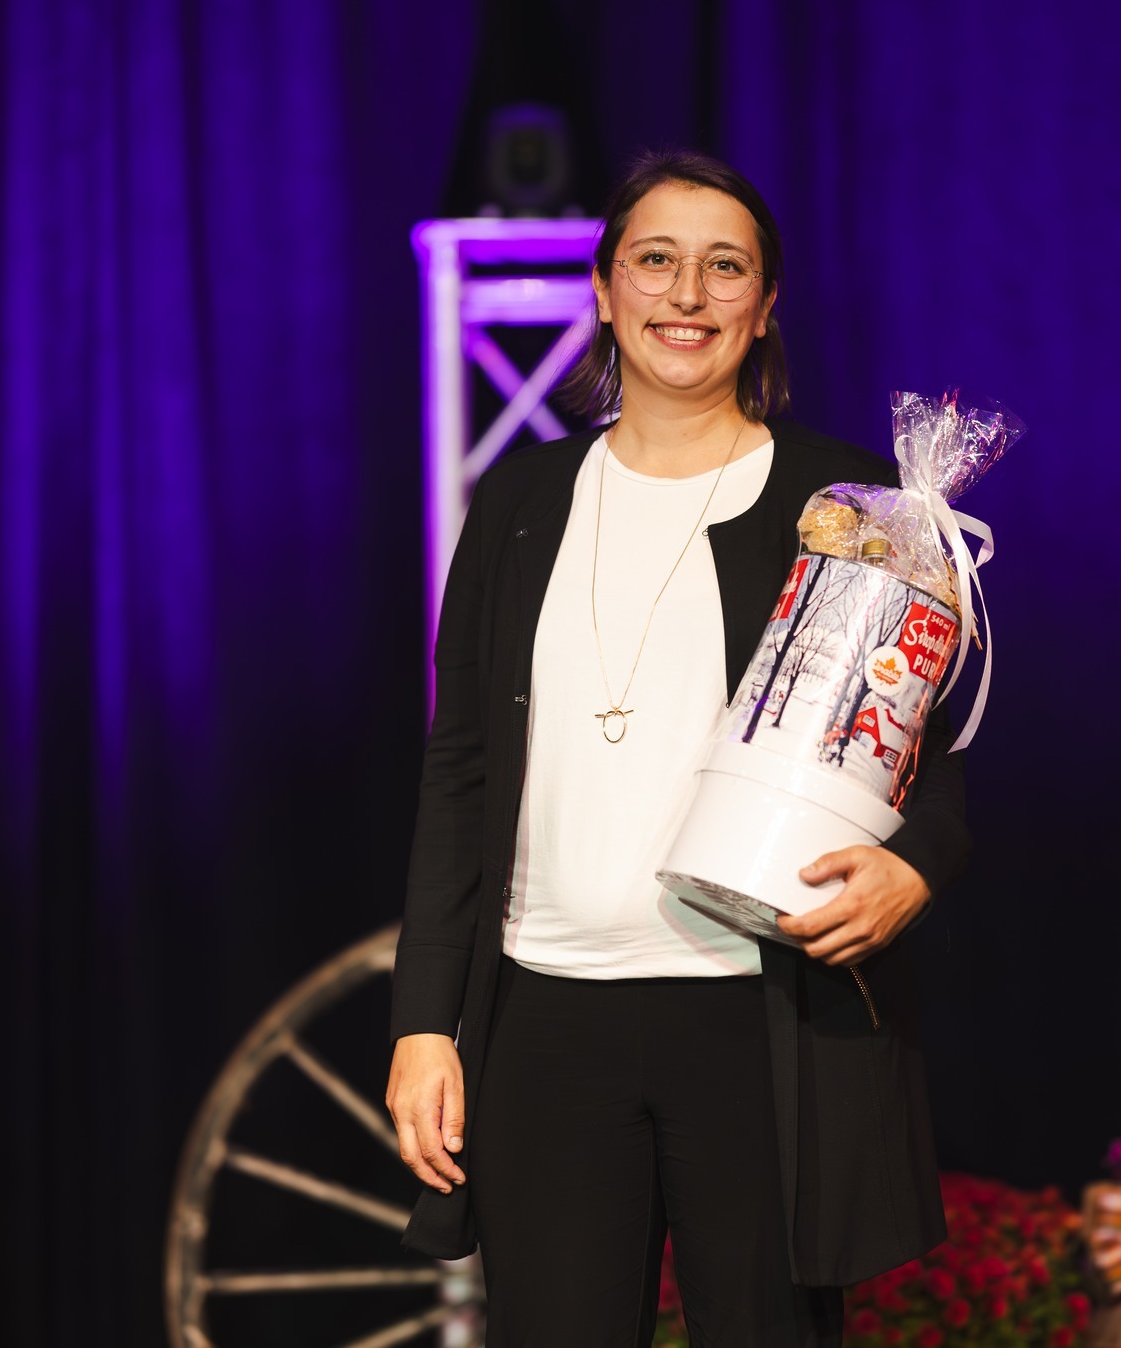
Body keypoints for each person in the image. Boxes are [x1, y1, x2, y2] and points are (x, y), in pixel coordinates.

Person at [385, 150, 971, 1346]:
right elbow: (458, 773)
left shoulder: (847, 501)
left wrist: (915, 863)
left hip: (756, 1023)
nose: (686, 296)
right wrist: (421, 1023)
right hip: (545, 1023)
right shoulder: (516, 503)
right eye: (655, 262)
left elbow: (925, 748)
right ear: (603, 291)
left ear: (764, 308)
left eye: (723, 268)